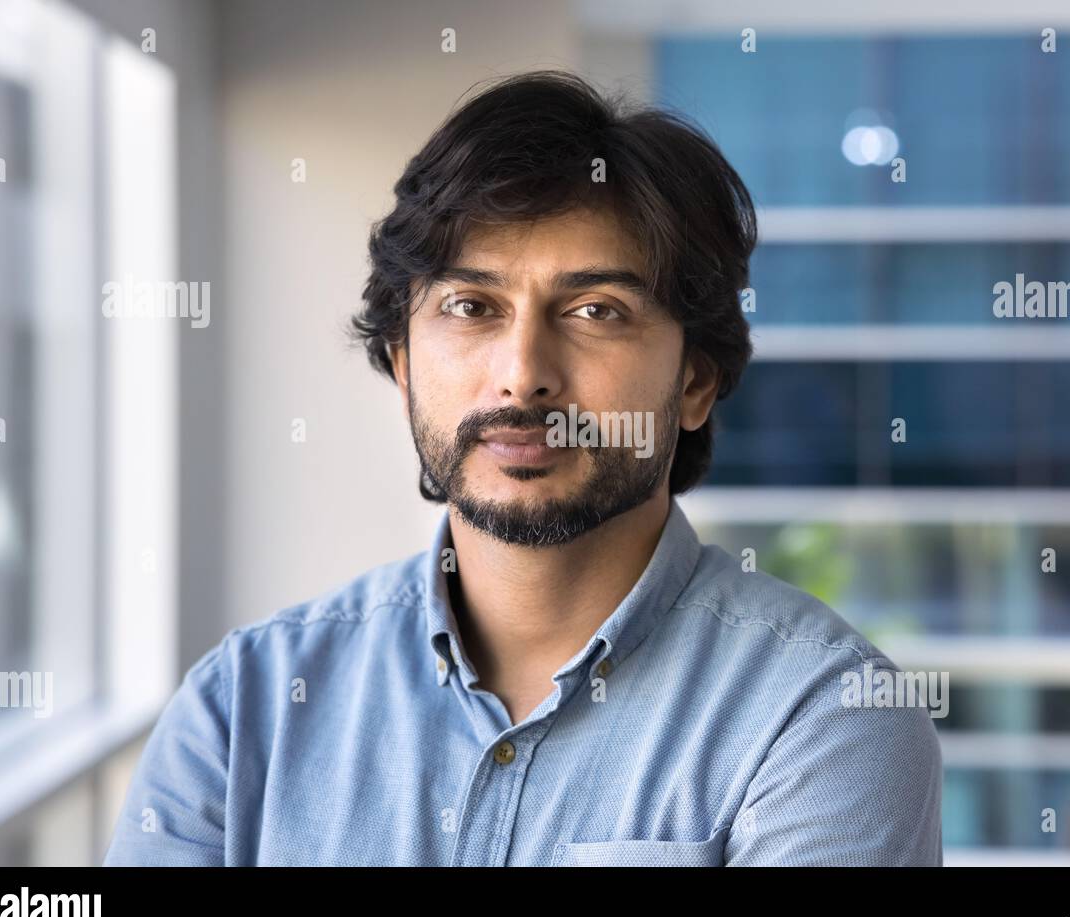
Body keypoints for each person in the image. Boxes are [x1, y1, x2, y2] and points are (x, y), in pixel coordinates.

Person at [104, 70, 942, 866]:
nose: (522, 371)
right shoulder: (242, 707)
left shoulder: (825, 717)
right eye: (471, 306)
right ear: (402, 363)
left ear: (695, 380)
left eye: (595, 311)